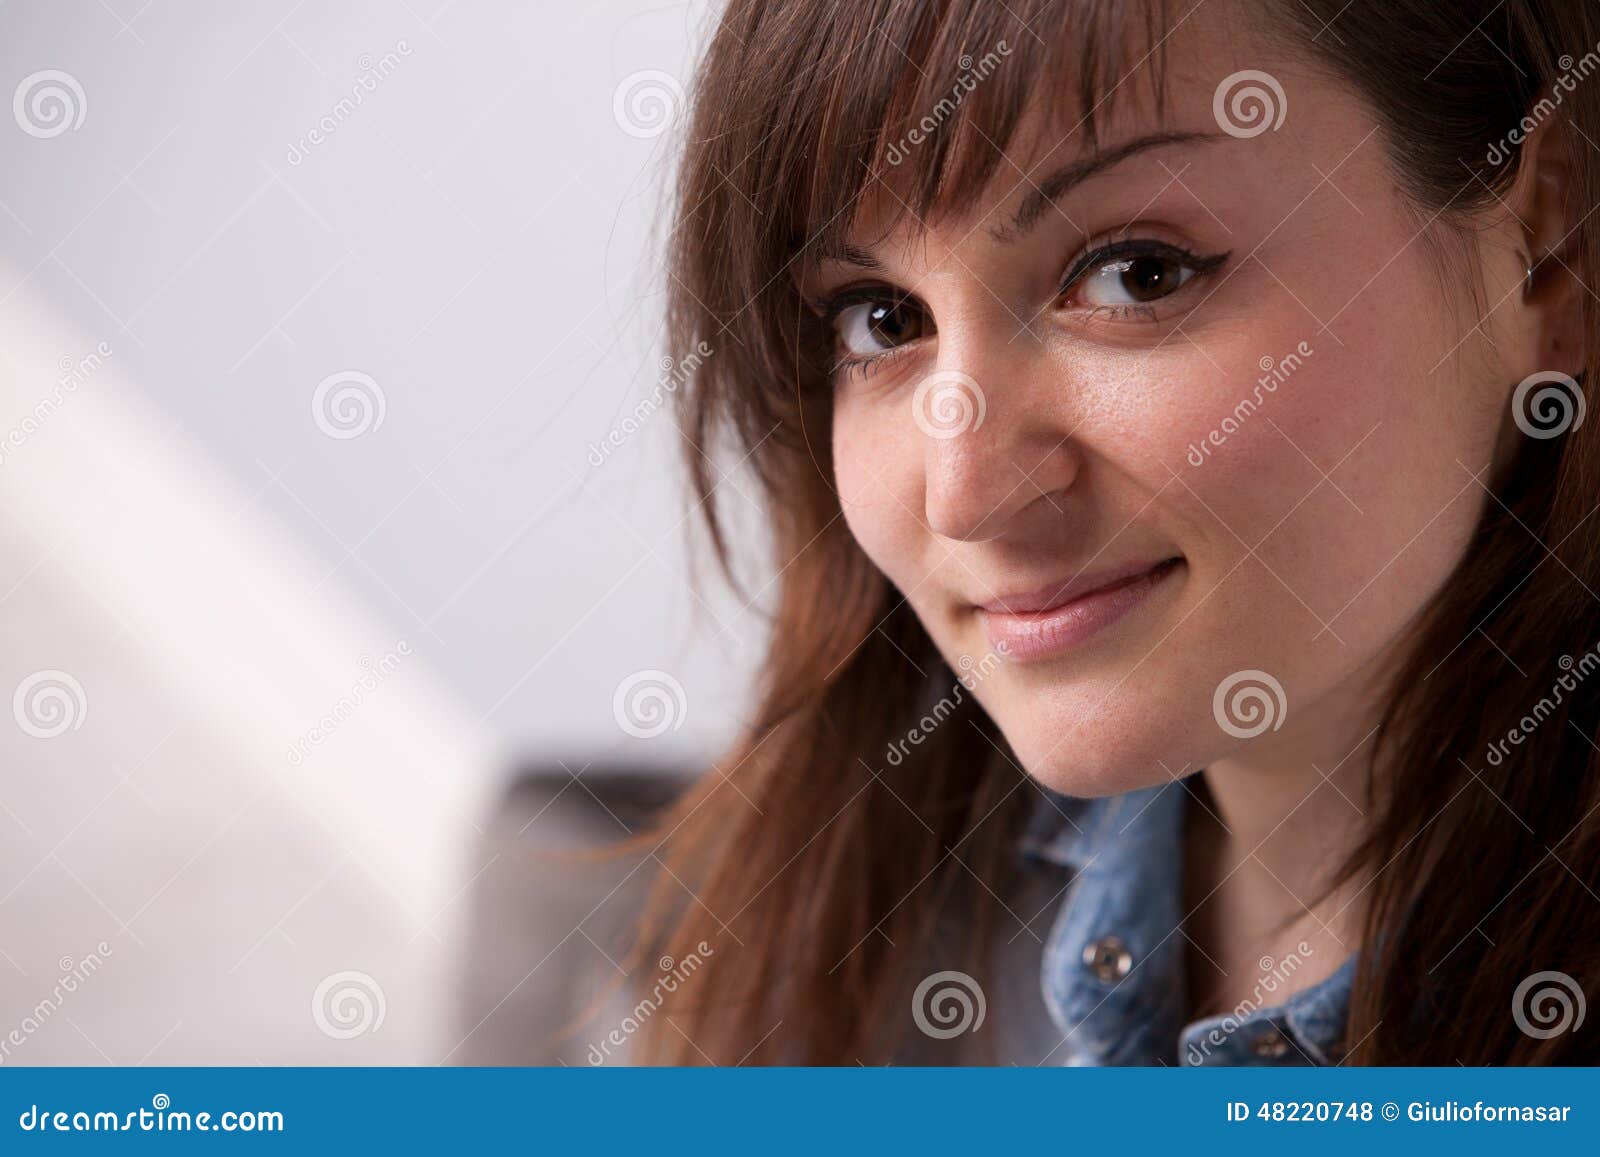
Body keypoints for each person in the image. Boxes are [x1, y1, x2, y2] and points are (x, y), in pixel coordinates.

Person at [635, 0, 1600, 1064]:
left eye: (1137, 272)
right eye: (882, 318)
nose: (964, 494)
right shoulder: (863, 900)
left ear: (1544, 248)